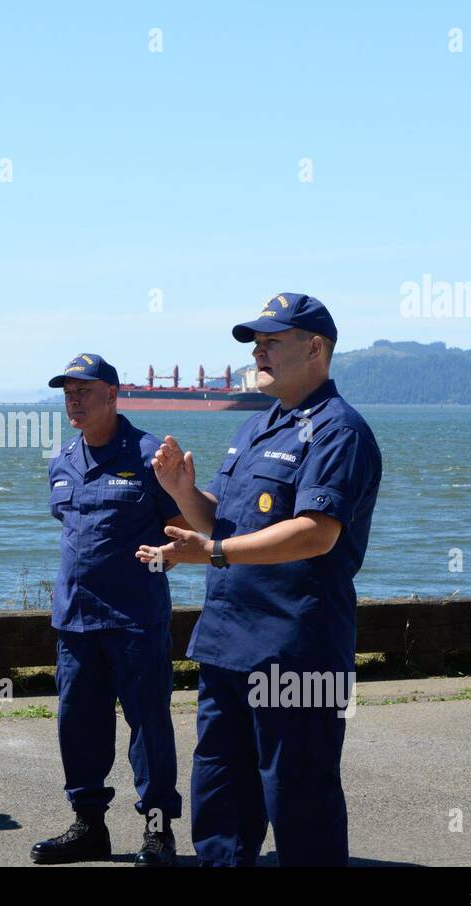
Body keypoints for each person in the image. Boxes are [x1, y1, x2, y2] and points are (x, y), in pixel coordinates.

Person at [136, 294, 381, 866]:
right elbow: (222, 521)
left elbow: (316, 533)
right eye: (255, 342)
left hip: (296, 651)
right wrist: (181, 493)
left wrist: (213, 551)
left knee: (300, 800)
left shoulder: (338, 431)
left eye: (272, 340)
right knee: (219, 797)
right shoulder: (254, 427)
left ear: (315, 348)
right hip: (228, 644)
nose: (259, 350)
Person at [31, 354, 187, 866]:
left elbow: (183, 532)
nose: (73, 400)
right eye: (67, 392)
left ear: (113, 395)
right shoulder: (62, 460)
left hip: (134, 621)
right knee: (77, 725)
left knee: (148, 727)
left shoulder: (149, 456)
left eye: (84, 391)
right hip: (74, 621)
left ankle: (158, 832)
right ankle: (89, 826)